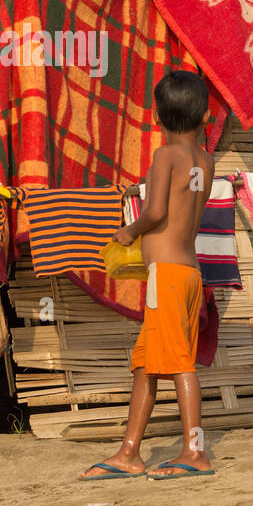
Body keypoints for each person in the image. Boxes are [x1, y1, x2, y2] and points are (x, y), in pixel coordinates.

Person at [80, 70, 216, 480]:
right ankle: (129, 452)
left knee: (178, 362)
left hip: (169, 278)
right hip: (189, 272)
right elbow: (176, 205)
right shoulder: (204, 160)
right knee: (146, 365)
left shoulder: (164, 156)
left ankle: (194, 452)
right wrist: (141, 191)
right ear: (205, 116)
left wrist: (130, 230)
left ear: (157, 116)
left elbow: (157, 212)